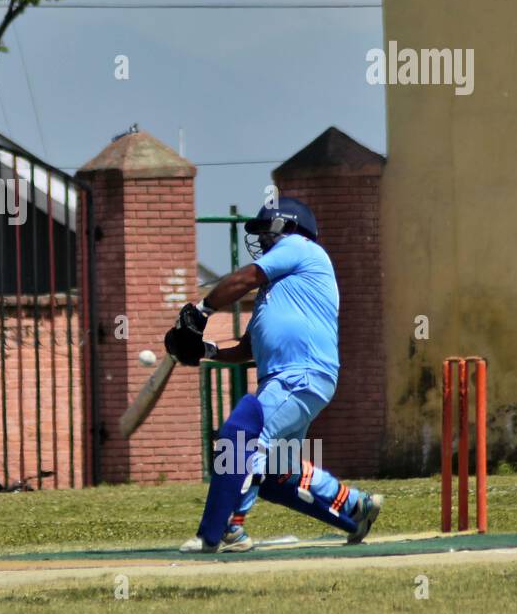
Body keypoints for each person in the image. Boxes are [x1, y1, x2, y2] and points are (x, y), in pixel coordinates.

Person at [164, 197, 383, 552]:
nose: (262, 239)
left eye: (266, 231)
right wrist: (205, 350)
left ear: (289, 227)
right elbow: (248, 348)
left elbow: (244, 278)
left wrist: (201, 311)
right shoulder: (282, 288)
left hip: (298, 374)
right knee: (276, 472)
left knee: (245, 440)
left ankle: (229, 529)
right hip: (297, 378)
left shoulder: (301, 248)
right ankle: (354, 504)